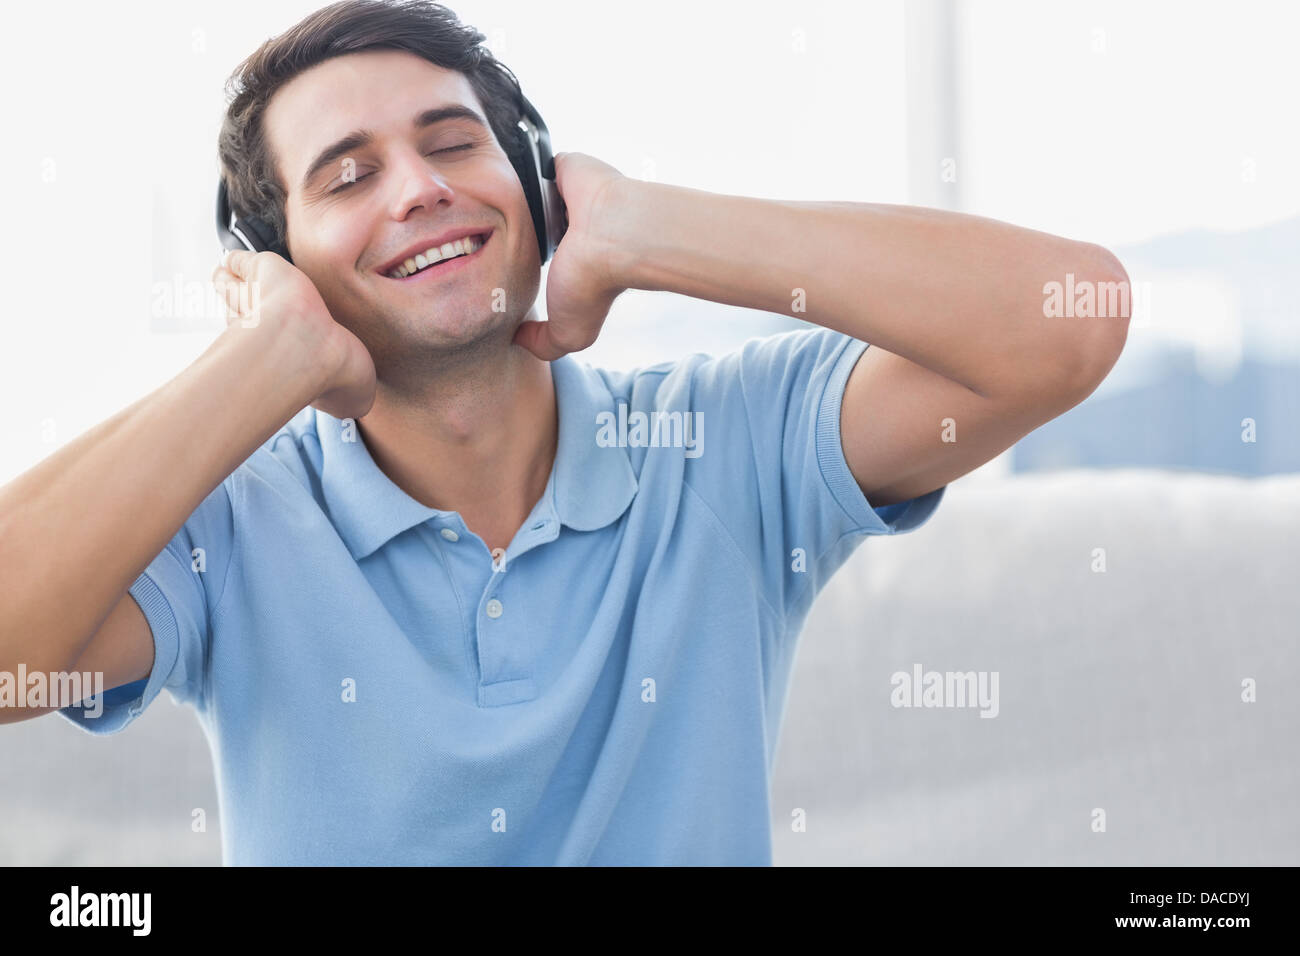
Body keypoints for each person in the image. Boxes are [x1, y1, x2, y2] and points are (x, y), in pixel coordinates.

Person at [0, 0, 1130, 865]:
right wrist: (257, 360)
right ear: (276, 259)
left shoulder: (724, 444)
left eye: (454, 144)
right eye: (348, 177)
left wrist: (650, 228)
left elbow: (1066, 327)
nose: (418, 190)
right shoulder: (234, 525)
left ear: (539, 186)